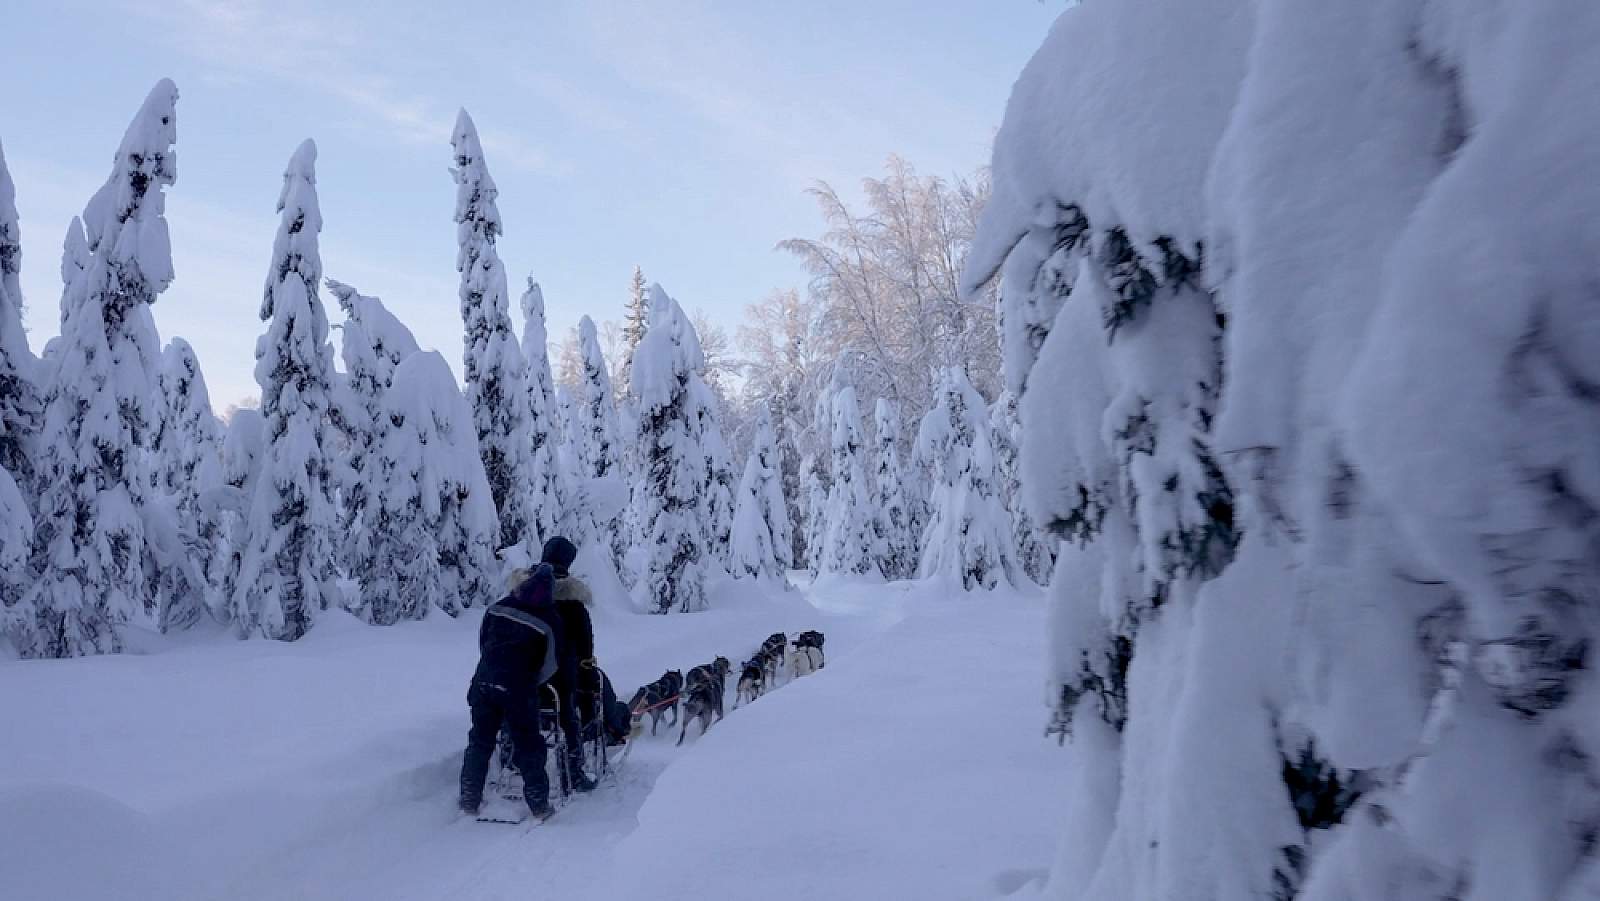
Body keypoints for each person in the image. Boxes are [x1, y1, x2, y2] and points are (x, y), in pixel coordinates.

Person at [458, 563, 592, 821]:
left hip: (483, 683)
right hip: (518, 689)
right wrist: (531, 681)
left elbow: (483, 641)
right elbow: (551, 663)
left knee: (479, 741)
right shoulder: (549, 620)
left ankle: (469, 798)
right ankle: (539, 805)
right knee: (529, 745)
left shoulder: (498, 606)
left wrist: (493, 668)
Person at [541, 536, 632, 747]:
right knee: (600, 683)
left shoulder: (524, 598)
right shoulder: (574, 608)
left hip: (524, 681)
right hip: (563, 685)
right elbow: (586, 656)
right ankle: (615, 726)